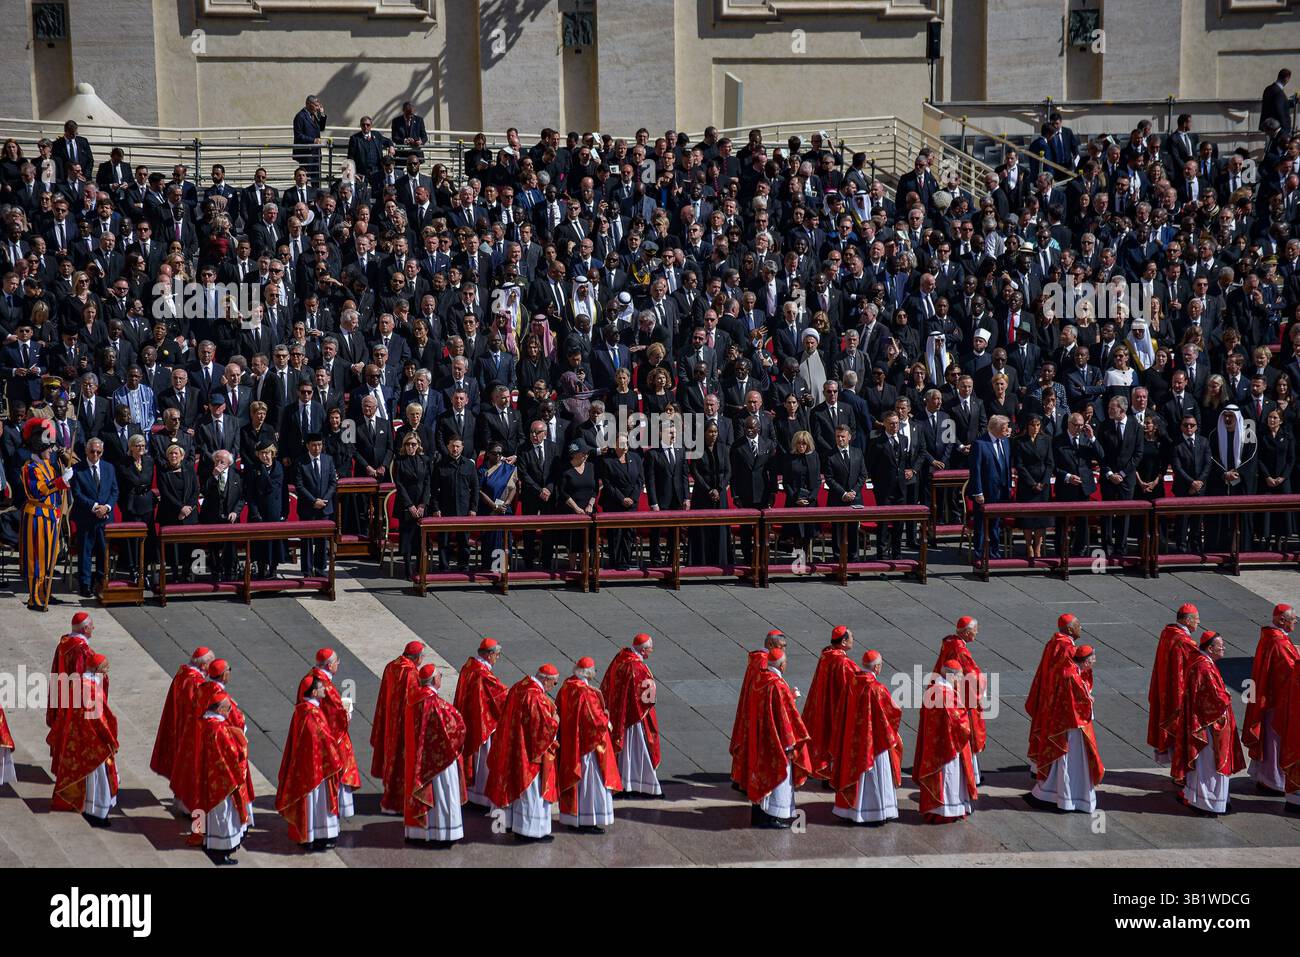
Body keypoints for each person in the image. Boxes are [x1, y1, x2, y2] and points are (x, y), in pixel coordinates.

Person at [484, 663, 561, 842]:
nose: (552, 687)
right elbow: (541, 730)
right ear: (545, 679)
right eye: (554, 683)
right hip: (528, 754)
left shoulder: (520, 686)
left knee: (515, 789)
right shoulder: (536, 698)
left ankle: (512, 824)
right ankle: (529, 831)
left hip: (513, 745)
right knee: (530, 794)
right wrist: (555, 720)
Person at [1172, 630, 1245, 816]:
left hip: (1205, 723)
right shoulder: (1204, 667)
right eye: (1221, 646)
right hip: (1208, 726)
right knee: (1210, 766)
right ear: (1210, 648)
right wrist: (1226, 697)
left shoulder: (1202, 663)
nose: (1224, 648)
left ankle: (1213, 800)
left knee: (1206, 766)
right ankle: (1206, 803)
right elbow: (1213, 698)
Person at [1026, 644, 1103, 813]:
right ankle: (1070, 798)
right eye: (1093, 658)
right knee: (1071, 763)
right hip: (1072, 728)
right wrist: (1090, 700)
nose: (1095, 661)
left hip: (1061, 724)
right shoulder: (1072, 677)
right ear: (1086, 661)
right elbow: (1080, 704)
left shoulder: (1068, 670)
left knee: (1061, 763)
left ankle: (1051, 793)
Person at [831, 649, 903, 825]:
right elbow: (891, 713)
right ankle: (874, 813)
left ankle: (849, 811)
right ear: (877, 667)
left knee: (855, 775)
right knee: (875, 777)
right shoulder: (877, 689)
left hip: (852, 740)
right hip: (874, 742)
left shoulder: (851, 684)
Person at [744, 646, 812, 829]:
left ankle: (757, 816)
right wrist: (790, 743)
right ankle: (771, 817)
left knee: (761, 778)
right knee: (776, 779)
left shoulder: (760, 678)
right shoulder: (778, 684)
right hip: (777, 741)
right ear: (782, 666)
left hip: (761, 737)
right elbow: (783, 716)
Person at [276, 673, 345, 851]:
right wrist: (336, 754)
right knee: (318, 804)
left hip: (308, 767)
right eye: (322, 688)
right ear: (314, 692)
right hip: (317, 770)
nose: (325, 690)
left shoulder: (301, 710)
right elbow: (323, 739)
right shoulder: (312, 714)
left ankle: (310, 836)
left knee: (313, 804)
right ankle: (318, 837)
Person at [50, 651, 118, 827]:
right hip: (93, 740)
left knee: (88, 777)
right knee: (99, 780)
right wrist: (110, 738)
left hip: (78, 736)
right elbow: (99, 719)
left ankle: (88, 809)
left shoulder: (78, 682)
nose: (106, 673)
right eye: (105, 669)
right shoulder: (92, 689)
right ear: (96, 669)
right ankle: (97, 813)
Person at [404, 663, 467, 847]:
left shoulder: (413, 699)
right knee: (443, 795)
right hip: (439, 761)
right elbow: (455, 728)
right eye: (440, 675)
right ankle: (442, 834)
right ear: (433, 679)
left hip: (417, 757)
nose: (441, 678)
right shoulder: (435, 704)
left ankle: (417, 833)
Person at [557, 657, 622, 832]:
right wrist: (606, 717)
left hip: (572, 744)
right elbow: (594, 720)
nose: (594, 673)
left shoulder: (566, 686)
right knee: (591, 783)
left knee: (578, 782)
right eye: (593, 670)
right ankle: (588, 820)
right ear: (587, 673)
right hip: (588, 747)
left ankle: (573, 818)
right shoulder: (585, 693)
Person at [149, 646, 216, 815]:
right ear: (203, 666)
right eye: (211, 664)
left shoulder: (182, 674)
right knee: (191, 768)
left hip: (179, 726)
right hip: (192, 732)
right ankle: (188, 806)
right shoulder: (196, 682)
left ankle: (180, 799)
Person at [296, 648, 360, 825]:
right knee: (334, 771)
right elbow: (335, 714)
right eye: (337, 661)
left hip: (313, 739)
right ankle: (337, 807)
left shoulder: (310, 677)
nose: (338, 664)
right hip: (328, 739)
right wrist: (346, 714)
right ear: (330, 664)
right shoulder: (326, 686)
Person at [912, 658, 978, 823]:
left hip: (933, 746)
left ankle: (936, 809)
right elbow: (958, 722)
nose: (961, 680)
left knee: (940, 779)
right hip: (949, 749)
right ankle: (947, 810)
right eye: (960, 676)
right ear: (953, 677)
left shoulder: (932, 690)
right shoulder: (947, 694)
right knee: (949, 779)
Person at [1242, 603, 1299, 794]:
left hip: (1267, 698)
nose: (1296, 622)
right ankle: (1273, 781)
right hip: (1278, 702)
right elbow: (1290, 672)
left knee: (1268, 741)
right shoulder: (1278, 642)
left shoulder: (1269, 636)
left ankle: (1265, 777)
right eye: (1293, 619)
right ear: (1281, 620)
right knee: (1276, 743)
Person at [18, 418, 72, 612]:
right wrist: (60, 481)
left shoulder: (48, 466)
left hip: (49, 516)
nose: (51, 450)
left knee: (48, 558)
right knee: (37, 559)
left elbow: (55, 493)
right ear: (40, 446)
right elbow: (38, 491)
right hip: (36, 517)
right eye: (48, 447)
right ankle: (34, 597)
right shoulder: (30, 468)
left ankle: (43, 592)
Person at [599, 633, 662, 797]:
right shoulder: (638, 668)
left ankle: (624, 781)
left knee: (624, 752)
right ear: (643, 650)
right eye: (650, 649)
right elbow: (647, 698)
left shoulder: (621, 656)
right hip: (635, 719)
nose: (651, 651)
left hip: (620, 714)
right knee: (638, 750)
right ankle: (642, 783)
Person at [194, 692, 252, 865]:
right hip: (222, 782)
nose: (229, 712)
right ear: (219, 709)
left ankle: (210, 843)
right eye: (227, 709)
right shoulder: (218, 729)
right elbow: (230, 753)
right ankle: (220, 851)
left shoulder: (207, 723)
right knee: (223, 817)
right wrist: (241, 750)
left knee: (212, 815)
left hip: (209, 778)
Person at [370, 640, 425, 815]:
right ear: (416, 658)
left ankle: (388, 795)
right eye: (422, 656)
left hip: (389, 721)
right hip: (403, 725)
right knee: (402, 763)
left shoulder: (391, 666)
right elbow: (414, 701)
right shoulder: (411, 674)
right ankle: (397, 802)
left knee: (390, 758)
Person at [454, 637, 509, 808]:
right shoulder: (483, 674)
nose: (498, 658)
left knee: (474, 758)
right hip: (483, 723)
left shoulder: (469, 666)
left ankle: (470, 794)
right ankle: (481, 797)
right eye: (497, 655)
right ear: (489, 654)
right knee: (484, 758)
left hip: (469, 717)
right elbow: (500, 695)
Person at [1026, 614, 1083, 777]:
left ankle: (1036, 766)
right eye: (1078, 625)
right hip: (1057, 699)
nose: (1081, 627)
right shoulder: (1068, 649)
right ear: (1070, 629)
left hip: (1046, 695)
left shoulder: (1053, 643)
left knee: (1043, 729)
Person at [730, 629, 788, 787]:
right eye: (781, 646)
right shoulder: (764, 661)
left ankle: (741, 779)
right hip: (759, 710)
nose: (783, 650)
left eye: (784, 647)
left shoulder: (758, 658)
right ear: (770, 644)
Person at [801, 625, 859, 782]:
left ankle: (827, 775)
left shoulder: (826, 655)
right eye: (852, 637)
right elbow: (857, 683)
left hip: (825, 704)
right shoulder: (844, 662)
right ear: (844, 641)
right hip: (838, 709)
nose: (854, 640)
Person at [1148, 603, 1201, 772]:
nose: (1198, 623)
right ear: (1187, 620)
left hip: (1166, 688)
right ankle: (1181, 772)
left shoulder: (1168, 633)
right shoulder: (1184, 641)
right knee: (1181, 734)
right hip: (1178, 694)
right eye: (1197, 619)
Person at [934, 615, 987, 783]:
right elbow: (973, 675)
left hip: (951, 690)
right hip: (962, 696)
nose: (977, 633)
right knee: (966, 733)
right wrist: (980, 691)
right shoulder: (960, 650)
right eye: (974, 630)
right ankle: (973, 775)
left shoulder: (949, 642)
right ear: (965, 632)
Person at [70, 437, 116, 598]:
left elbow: (114, 491)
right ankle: (85, 584)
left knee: (104, 551)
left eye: (98, 451)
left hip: (105, 518)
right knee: (85, 552)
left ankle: (102, 580)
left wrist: (107, 507)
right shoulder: (77, 469)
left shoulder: (109, 467)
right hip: (86, 516)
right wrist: (95, 506)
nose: (95, 454)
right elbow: (77, 493)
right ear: (86, 451)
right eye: (92, 451)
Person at [968, 414, 1012, 560]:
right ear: (994, 428)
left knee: (996, 523)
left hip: (1001, 491)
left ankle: (994, 551)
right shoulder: (980, 444)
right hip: (985, 492)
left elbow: (1007, 465)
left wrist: (1009, 486)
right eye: (1004, 428)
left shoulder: (1005, 441)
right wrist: (978, 492)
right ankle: (979, 553)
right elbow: (976, 470)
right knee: (981, 524)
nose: (1007, 431)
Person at [597, 433, 643, 571]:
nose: (625, 447)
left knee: (629, 532)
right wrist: (622, 499)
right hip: (614, 502)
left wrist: (632, 498)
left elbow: (640, 480)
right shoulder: (607, 461)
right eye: (622, 444)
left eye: (626, 443)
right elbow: (608, 484)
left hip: (631, 503)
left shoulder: (635, 458)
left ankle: (627, 560)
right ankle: (616, 561)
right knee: (616, 533)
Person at [115, 434, 155, 587]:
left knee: (146, 538)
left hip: (146, 504)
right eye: (138, 446)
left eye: (143, 446)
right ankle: (133, 569)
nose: (141, 448)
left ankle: (145, 570)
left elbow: (148, 481)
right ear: (131, 447)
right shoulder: (123, 464)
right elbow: (120, 487)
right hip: (131, 505)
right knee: (132, 539)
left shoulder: (149, 461)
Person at [391, 432, 433, 580]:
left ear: (418, 445)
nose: (411, 447)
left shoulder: (425, 460)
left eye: (413, 444)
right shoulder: (400, 461)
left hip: (421, 503)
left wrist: (422, 504)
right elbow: (399, 484)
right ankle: (408, 570)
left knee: (420, 538)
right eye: (408, 444)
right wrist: (410, 506)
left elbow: (428, 482)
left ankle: (420, 568)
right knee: (407, 538)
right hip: (406, 504)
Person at [296, 433, 337, 578]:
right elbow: (299, 486)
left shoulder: (328, 460)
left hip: (325, 506)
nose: (317, 448)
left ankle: (320, 568)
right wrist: (314, 501)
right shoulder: (301, 462)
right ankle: (307, 570)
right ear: (308, 445)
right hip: (308, 506)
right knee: (306, 539)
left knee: (322, 539)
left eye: (319, 445)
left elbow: (333, 482)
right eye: (314, 445)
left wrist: (323, 500)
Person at [157, 443, 199, 583]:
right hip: (171, 513)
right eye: (171, 454)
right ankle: (174, 573)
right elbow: (165, 493)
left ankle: (188, 572)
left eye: (176, 454)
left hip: (189, 514)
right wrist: (180, 508)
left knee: (189, 545)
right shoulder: (163, 472)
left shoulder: (189, 470)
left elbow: (195, 490)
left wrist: (188, 508)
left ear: (182, 456)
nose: (173, 456)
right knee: (172, 546)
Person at [1013, 413, 1053, 557]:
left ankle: (1038, 546)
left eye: (1037, 425)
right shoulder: (1019, 441)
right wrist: (1032, 483)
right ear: (1027, 426)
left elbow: (1050, 463)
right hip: (1027, 483)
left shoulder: (1047, 440)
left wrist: (1043, 482)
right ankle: (1029, 545)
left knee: (1041, 519)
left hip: (1043, 484)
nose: (1035, 428)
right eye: (1032, 425)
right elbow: (1019, 465)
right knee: (1028, 518)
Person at [245, 441, 286, 578]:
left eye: (267, 453)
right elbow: (250, 494)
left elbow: (282, 490)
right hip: (260, 512)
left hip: (275, 511)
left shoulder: (278, 467)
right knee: (260, 544)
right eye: (262, 453)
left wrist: (284, 512)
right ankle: (262, 570)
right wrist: (254, 512)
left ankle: (273, 569)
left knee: (274, 542)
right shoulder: (253, 469)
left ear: (272, 453)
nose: (265, 456)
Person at [477, 441, 517, 569]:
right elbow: (479, 491)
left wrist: (506, 504)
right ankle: (490, 568)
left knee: (504, 541)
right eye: (495, 453)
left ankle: (503, 568)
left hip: (505, 511)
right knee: (491, 542)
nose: (498, 456)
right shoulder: (482, 470)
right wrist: (494, 507)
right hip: (489, 511)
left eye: (500, 453)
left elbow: (513, 488)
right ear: (488, 454)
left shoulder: (508, 469)